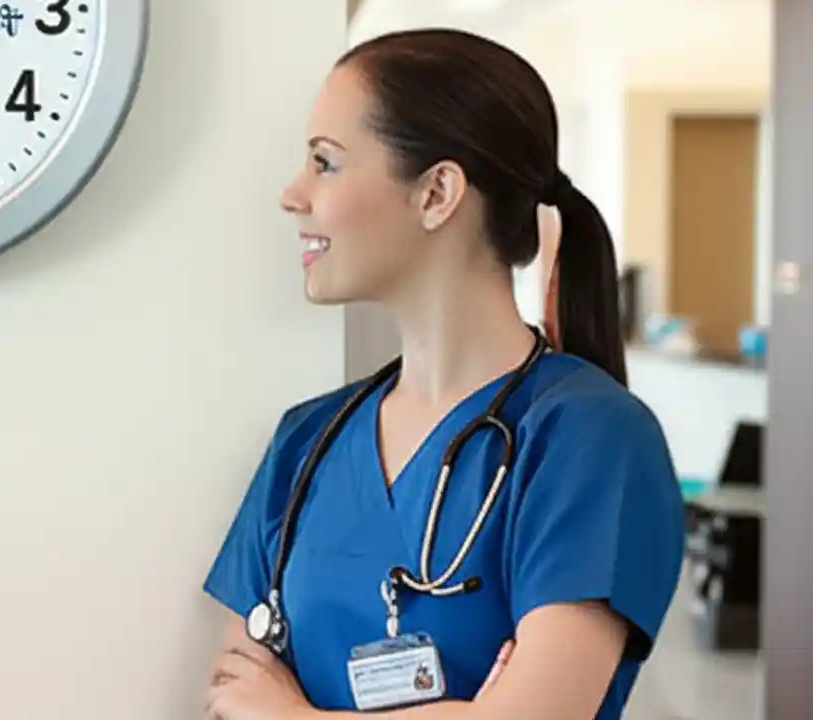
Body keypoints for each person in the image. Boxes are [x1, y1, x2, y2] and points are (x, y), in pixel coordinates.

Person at [200, 28, 685, 720]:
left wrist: (295, 716)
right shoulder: (307, 442)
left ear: (436, 194)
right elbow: (231, 697)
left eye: (325, 163)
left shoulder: (589, 436)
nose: (292, 194)